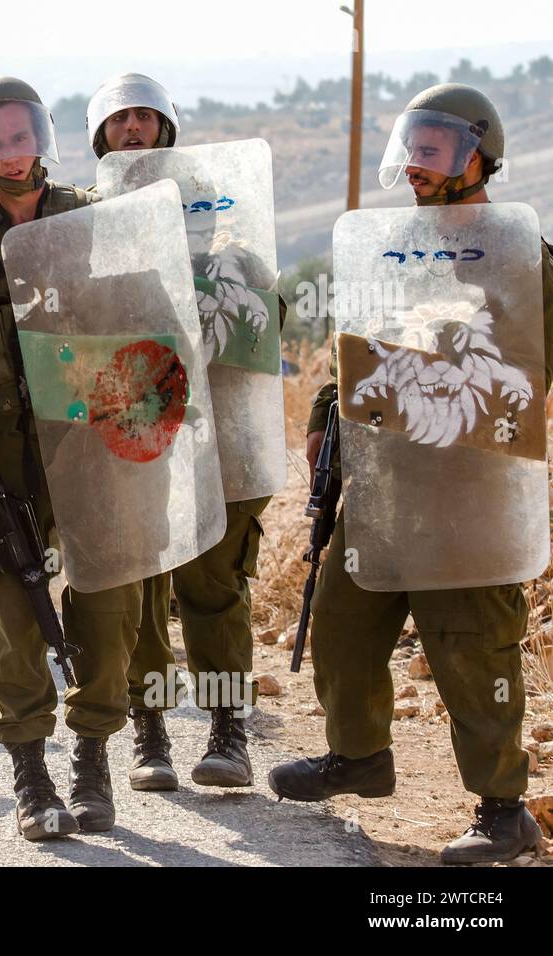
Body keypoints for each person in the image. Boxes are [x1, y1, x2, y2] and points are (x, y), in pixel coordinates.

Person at [269, 83, 553, 865]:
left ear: (477, 155)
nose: (417, 165)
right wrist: (327, 414)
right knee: (343, 621)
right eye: (414, 148)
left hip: (474, 490)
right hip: (388, 482)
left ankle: (504, 809)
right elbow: (357, 341)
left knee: (472, 646)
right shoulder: (393, 247)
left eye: (434, 150)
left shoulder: (520, 253)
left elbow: (528, 377)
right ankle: (359, 757)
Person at [0, 77, 142, 839]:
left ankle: (92, 758)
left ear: (42, 138)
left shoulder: (88, 216)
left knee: (107, 607)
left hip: (90, 441)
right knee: (16, 612)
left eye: (22, 137)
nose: (11, 155)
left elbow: (142, 317)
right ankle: (32, 773)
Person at [88, 73, 272, 792]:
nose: (132, 128)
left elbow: (259, 316)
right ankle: (152, 730)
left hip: (213, 429)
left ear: (165, 129)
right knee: (141, 585)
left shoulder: (221, 228)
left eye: (145, 117)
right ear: (100, 134)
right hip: (130, 427)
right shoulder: (85, 221)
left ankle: (227, 733)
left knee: (215, 583)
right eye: (119, 118)